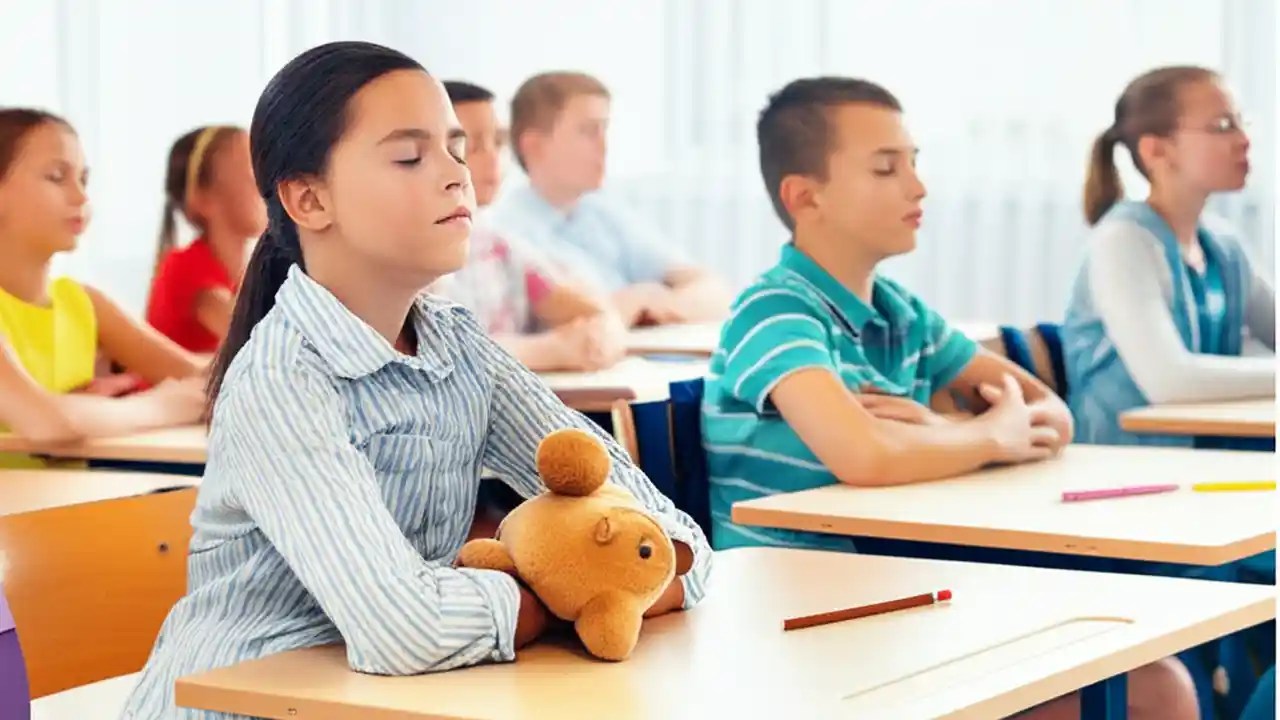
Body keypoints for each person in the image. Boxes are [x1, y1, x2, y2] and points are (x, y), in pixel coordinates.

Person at [120, 41, 711, 719]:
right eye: (410, 156)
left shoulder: (457, 346)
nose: (456, 175)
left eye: (457, 150)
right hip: (244, 704)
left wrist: (618, 579)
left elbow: (674, 543)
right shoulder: (281, 379)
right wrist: (580, 592)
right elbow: (403, 629)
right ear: (308, 198)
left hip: (389, 701)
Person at [701, 76, 1192, 720]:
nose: (918, 187)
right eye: (886, 168)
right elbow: (865, 457)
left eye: (914, 163)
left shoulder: (902, 314)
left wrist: (930, 428)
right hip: (802, 627)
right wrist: (986, 436)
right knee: (1154, 691)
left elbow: (1049, 414)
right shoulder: (774, 311)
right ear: (804, 196)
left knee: (1154, 682)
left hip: (901, 598)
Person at [1063, 65, 1274, 448]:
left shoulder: (1223, 246)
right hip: (1125, 467)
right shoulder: (1123, 241)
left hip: (1208, 453)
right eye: (1223, 126)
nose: (1244, 140)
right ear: (1156, 149)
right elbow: (1170, 382)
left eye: (1243, 124)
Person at [0, 108, 206, 468]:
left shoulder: (83, 302)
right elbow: (48, 423)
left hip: (66, 509)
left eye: (83, 179)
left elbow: (205, 382)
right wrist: (164, 404)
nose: (81, 197)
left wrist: (89, 411)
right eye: (55, 177)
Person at [488, 71, 731, 326]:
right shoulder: (506, 234)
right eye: (588, 131)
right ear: (534, 146)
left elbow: (715, 290)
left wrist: (652, 304)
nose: (604, 146)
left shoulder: (603, 212)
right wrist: (639, 302)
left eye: (605, 129)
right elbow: (573, 320)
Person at [436, 80, 625, 373]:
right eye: (469, 146)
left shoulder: (498, 245)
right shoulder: (419, 258)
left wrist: (599, 337)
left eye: (498, 143)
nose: (492, 159)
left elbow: (593, 310)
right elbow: (449, 354)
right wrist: (554, 349)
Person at [146, 125, 267, 354]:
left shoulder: (242, 276)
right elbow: (257, 343)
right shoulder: (185, 267)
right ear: (203, 199)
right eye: (254, 174)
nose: (268, 185)